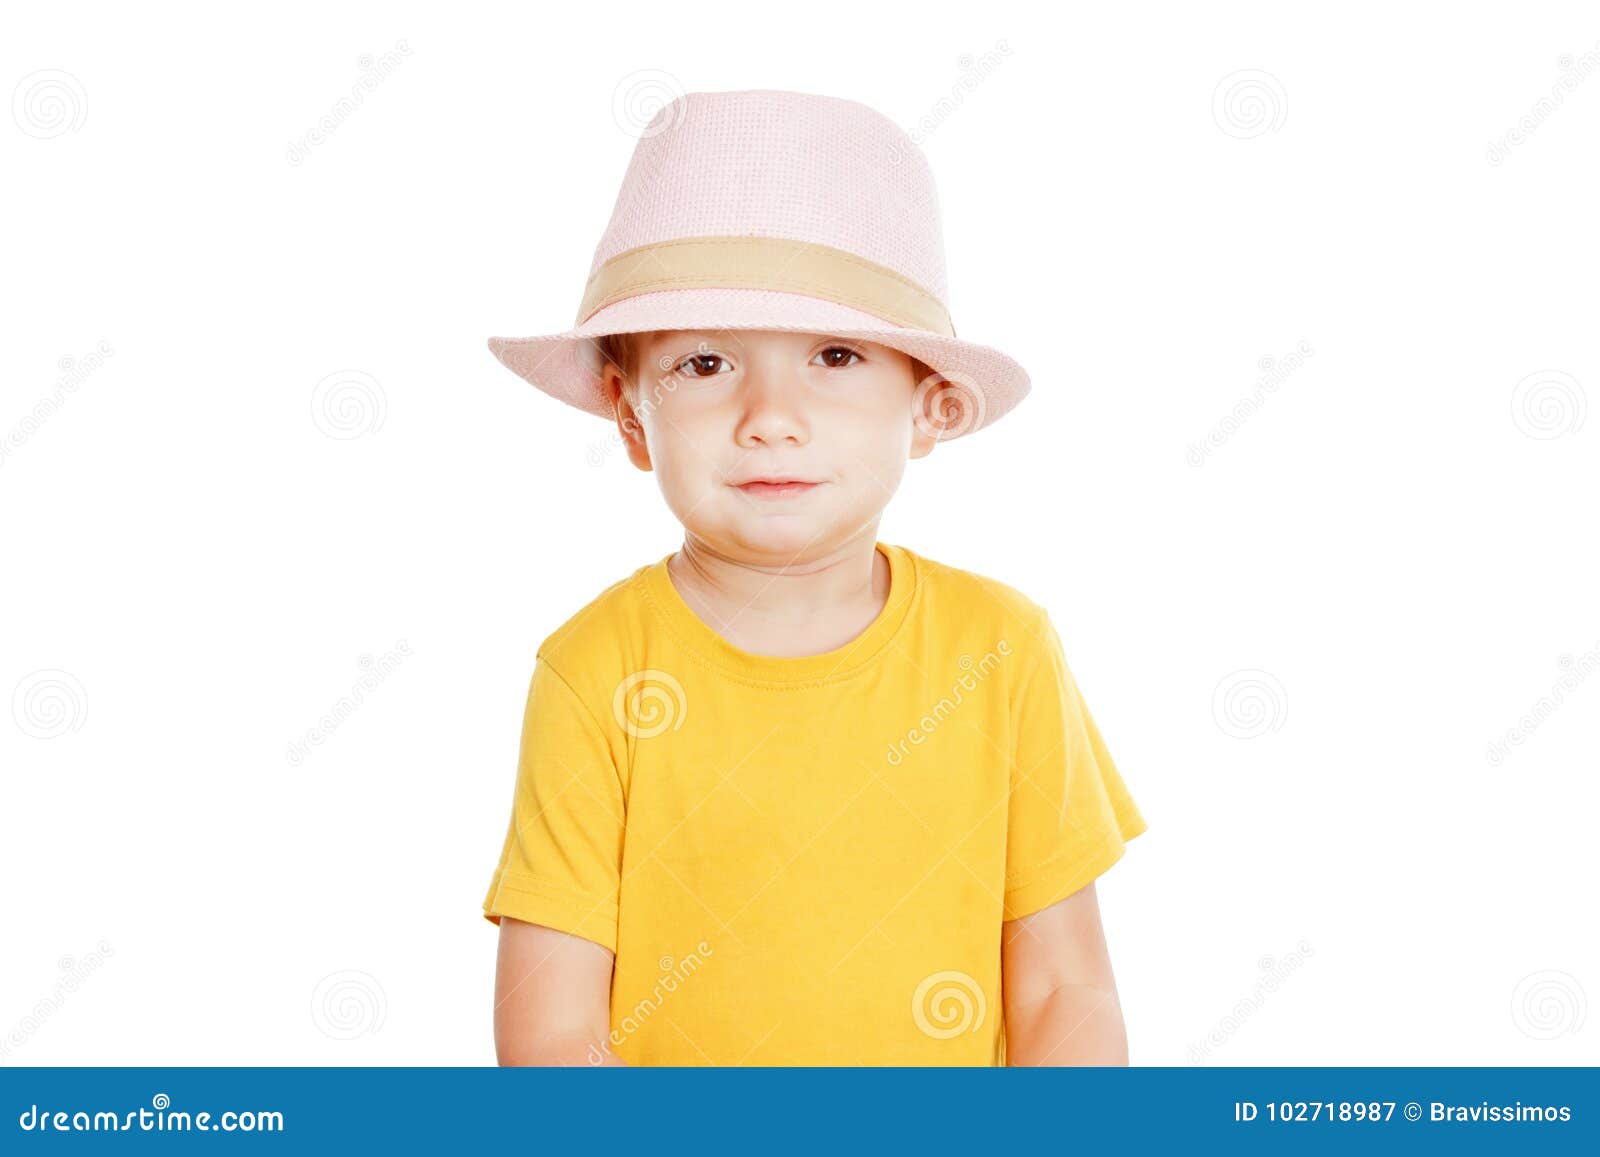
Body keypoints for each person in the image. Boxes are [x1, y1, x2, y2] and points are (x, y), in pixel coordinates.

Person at [480, 88, 1147, 1066]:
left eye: (834, 355)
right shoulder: (595, 668)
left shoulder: (999, 649)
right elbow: (552, 1027)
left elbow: (1062, 987)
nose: (770, 415)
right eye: (705, 362)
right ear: (629, 415)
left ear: (927, 406)